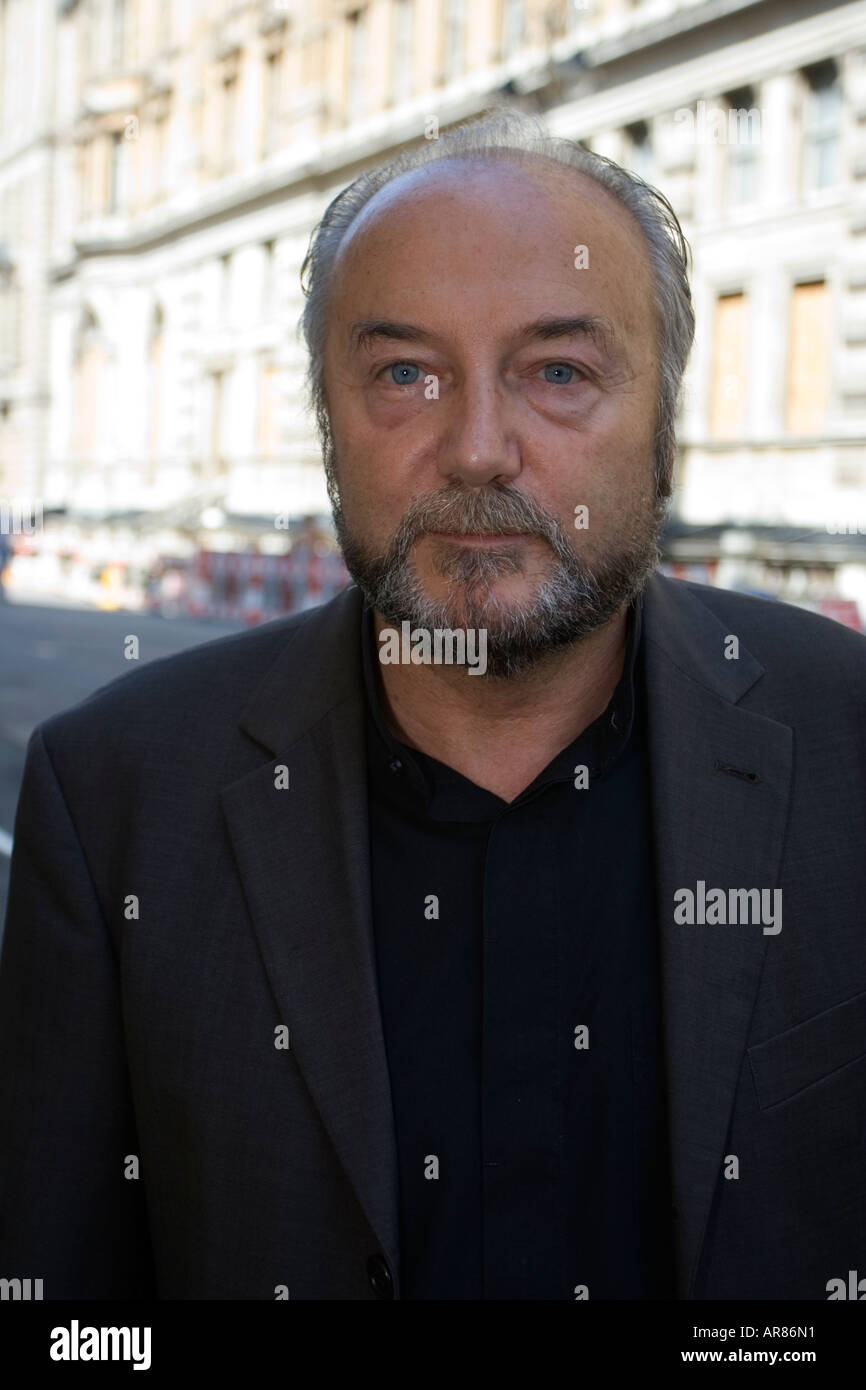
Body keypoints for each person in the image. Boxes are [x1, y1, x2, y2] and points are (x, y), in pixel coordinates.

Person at [0, 109, 864, 1301]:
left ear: (663, 427)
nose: (474, 448)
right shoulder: (112, 797)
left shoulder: (848, 748)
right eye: (404, 374)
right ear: (326, 427)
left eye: (556, 372)